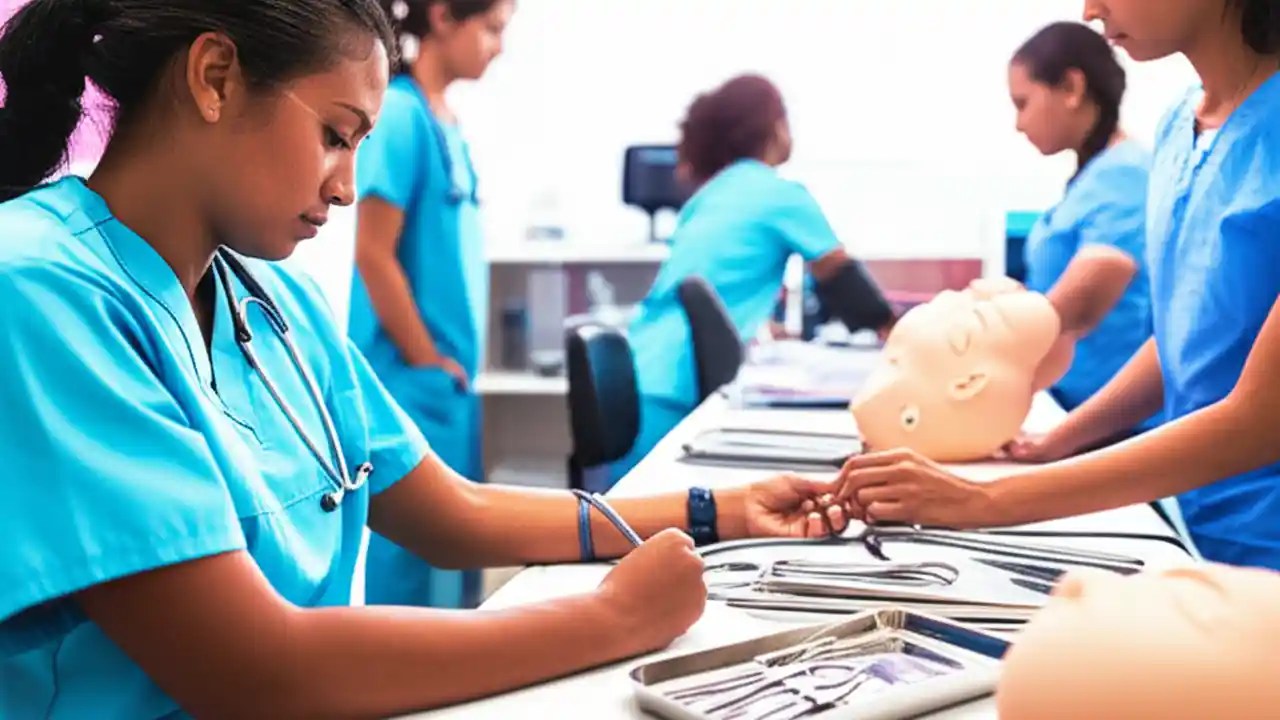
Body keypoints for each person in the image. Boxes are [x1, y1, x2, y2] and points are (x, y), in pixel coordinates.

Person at [0, 2, 857, 718]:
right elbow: (255, 668)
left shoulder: (272, 298)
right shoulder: (36, 291)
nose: (345, 186)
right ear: (216, 77)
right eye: (336, 136)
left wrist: (718, 511)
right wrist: (611, 621)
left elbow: (452, 514)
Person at [837, 0, 1280, 570]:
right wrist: (1056, 441)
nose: (1091, 9)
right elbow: (1187, 341)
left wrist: (982, 501)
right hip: (1190, 533)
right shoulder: (1178, 126)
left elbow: (1259, 422)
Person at [616, 74, 896, 486]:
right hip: (678, 378)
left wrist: (759, 328)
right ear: (771, 126)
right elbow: (842, 278)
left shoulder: (711, 193)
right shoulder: (778, 194)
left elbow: (715, 281)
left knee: (628, 520)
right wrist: (902, 340)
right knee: (650, 519)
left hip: (640, 366)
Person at [348, 0, 510, 610]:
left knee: (458, 567)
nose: (499, 46)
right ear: (444, 16)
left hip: (446, 386)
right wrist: (425, 359)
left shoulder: (448, 125)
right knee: (412, 572)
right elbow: (374, 253)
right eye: (492, 28)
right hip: (413, 379)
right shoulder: (400, 116)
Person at [1006, 21, 1156, 434]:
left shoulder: (1124, 174)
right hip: (1068, 410)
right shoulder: (1093, 178)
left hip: (1107, 426)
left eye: (1023, 103)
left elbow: (1081, 303)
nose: (1019, 124)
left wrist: (986, 346)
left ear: (1071, 88)